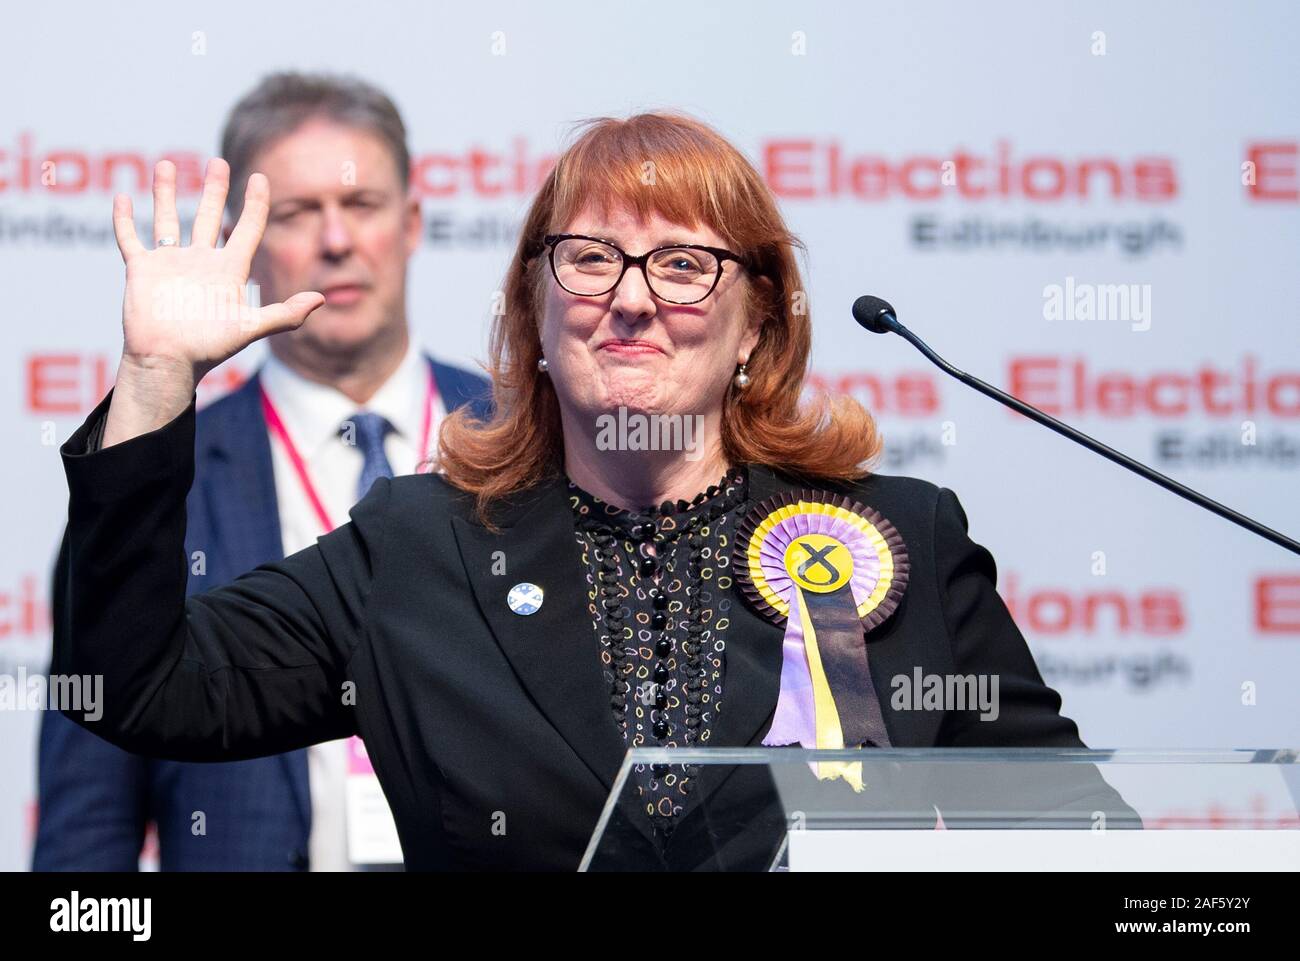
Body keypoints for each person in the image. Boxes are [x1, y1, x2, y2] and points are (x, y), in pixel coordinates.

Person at [52, 112, 1131, 871]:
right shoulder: (417, 544)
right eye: (588, 260)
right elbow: (139, 687)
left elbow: (1074, 837)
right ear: (534, 308)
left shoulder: (895, 538)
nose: (629, 300)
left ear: (759, 319)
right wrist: (155, 382)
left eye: (681, 265)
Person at [35, 73, 490, 872]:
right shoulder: (152, 472)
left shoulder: (526, 442)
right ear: (244, 244)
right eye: (296, 212)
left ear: (413, 222)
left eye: (362, 205)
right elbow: (86, 824)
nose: (337, 240)